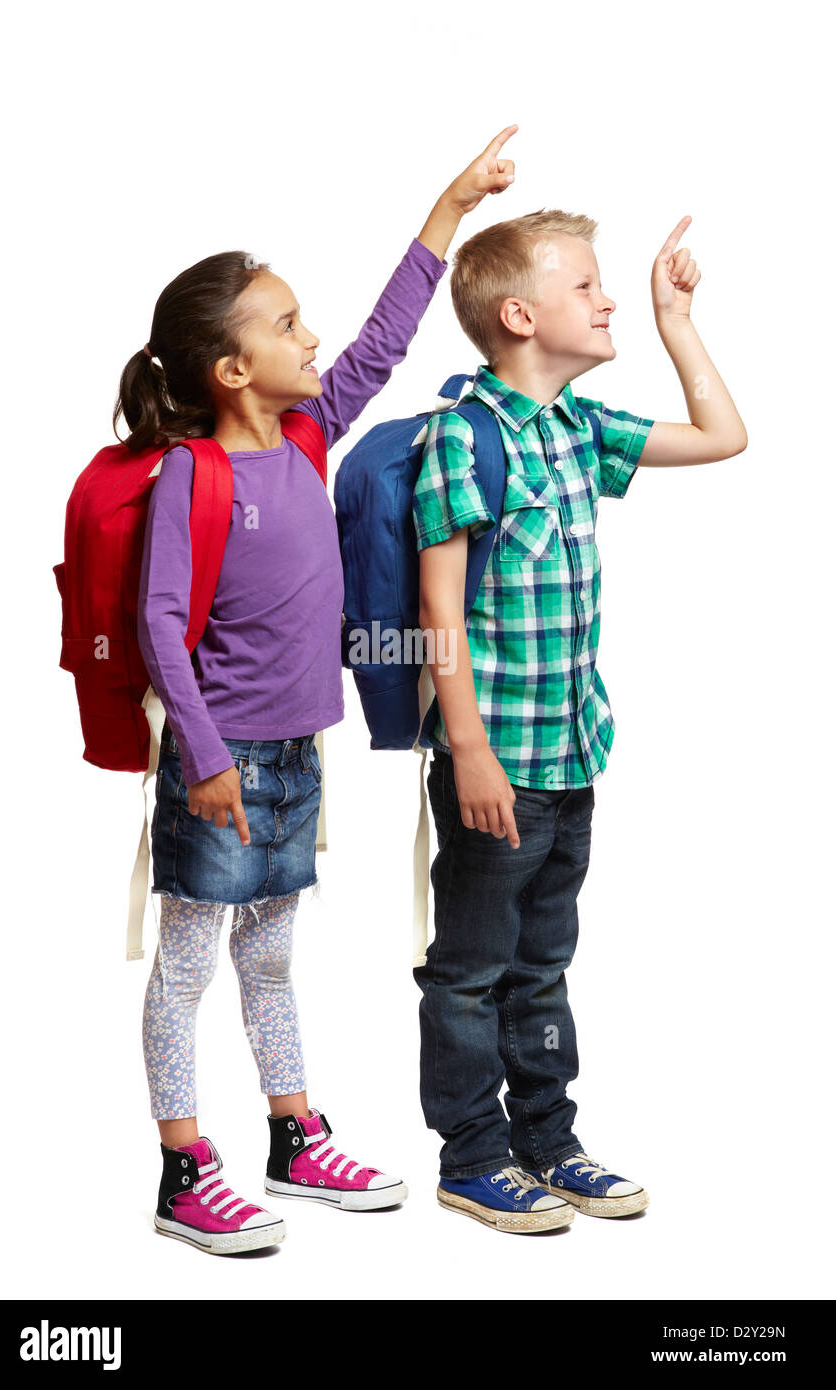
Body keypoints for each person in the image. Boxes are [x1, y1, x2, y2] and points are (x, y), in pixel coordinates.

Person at [119, 127, 519, 1256]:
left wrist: (448, 205)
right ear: (229, 369)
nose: (315, 336)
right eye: (288, 325)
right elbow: (158, 624)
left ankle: (293, 1138)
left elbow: (388, 337)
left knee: (271, 958)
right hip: (221, 762)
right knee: (189, 962)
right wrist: (198, 758)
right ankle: (183, 1164)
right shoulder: (194, 476)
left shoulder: (305, 438)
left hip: (296, 754)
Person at [412, 209, 747, 1234]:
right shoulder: (460, 438)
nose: (607, 302)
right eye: (590, 287)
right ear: (519, 314)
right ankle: (472, 1157)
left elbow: (722, 436)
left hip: (569, 754)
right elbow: (437, 613)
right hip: (494, 762)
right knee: (469, 972)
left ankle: (545, 1142)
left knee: (542, 962)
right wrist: (465, 748)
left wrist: (672, 321)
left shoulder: (574, 427)